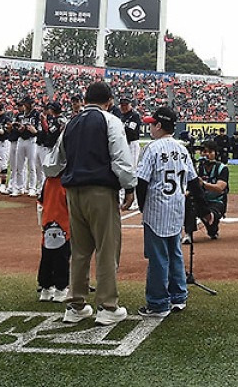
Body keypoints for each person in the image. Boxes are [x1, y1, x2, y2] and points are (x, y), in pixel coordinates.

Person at [44, 81, 138, 326]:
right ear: (109, 102)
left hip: (72, 192)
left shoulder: (71, 124)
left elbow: (52, 163)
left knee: (80, 250)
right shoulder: (110, 121)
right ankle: (107, 306)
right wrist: (129, 186)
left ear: (85, 99)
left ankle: (75, 305)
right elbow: (121, 159)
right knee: (107, 248)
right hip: (100, 190)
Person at [134, 106, 211, 318]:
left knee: (158, 257)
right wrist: (204, 209)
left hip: (157, 208)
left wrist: (142, 206)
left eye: (152, 123)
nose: (150, 127)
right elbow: (194, 183)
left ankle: (158, 303)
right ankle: (178, 296)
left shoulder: (152, 148)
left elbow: (141, 182)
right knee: (175, 253)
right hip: (176, 207)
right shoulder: (182, 149)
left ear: (159, 125)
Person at [36, 149, 70, 303]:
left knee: (47, 256)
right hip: (64, 225)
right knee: (62, 257)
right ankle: (61, 288)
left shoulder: (48, 182)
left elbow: (40, 203)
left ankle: (45, 287)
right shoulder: (66, 182)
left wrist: (42, 223)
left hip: (48, 222)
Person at [184, 140, 229, 243]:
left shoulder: (222, 168)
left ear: (215, 153)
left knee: (211, 224)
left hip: (217, 201)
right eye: (204, 151)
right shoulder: (198, 167)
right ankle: (188, 234)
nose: (207, 154)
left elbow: (220, 188)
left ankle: (212, 229)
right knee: (189, 203)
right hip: (202, 200)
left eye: (210, 152)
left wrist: (203, 184)